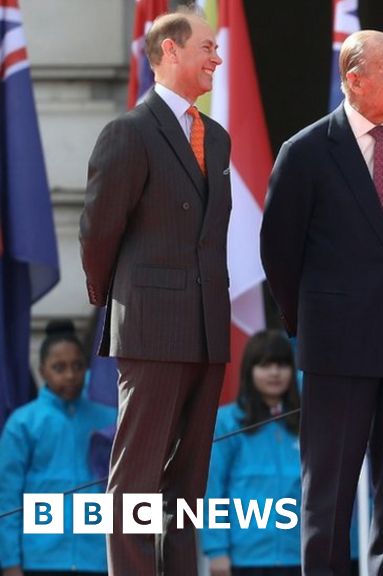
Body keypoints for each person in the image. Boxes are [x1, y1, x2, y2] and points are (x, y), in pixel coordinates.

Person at [260, 30, 383, 575]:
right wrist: (315, 322)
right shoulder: (306, 151)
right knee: (329, 494)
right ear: (354, 80)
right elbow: (278, 251)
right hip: (336, 348)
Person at [78, 7, 231, 575]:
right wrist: (120, 301)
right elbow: (98, 232)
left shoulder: (217, 138)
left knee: (189, 484)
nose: (217, 58)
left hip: (206, 329)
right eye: (207, 48)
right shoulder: (130, 132)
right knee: (137, 479)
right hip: (151, 328)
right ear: (171, 51)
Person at [0, 320, 116, 576]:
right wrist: (10, 563)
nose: (70, 375)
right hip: (40, 561)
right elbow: (7, 498)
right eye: (59, 367)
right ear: (42, 370)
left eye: (77, 366)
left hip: (97, 559)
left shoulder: (109, 419)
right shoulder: (23, 423)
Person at [201, 330, 303, 576]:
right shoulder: (226, 422)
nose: (275, 373)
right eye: (265, 365)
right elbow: (212, 489)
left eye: (282, 365)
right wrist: (216, 551)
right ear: (249, 370)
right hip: (244, 559)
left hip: (299, 556)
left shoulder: (308, 423)